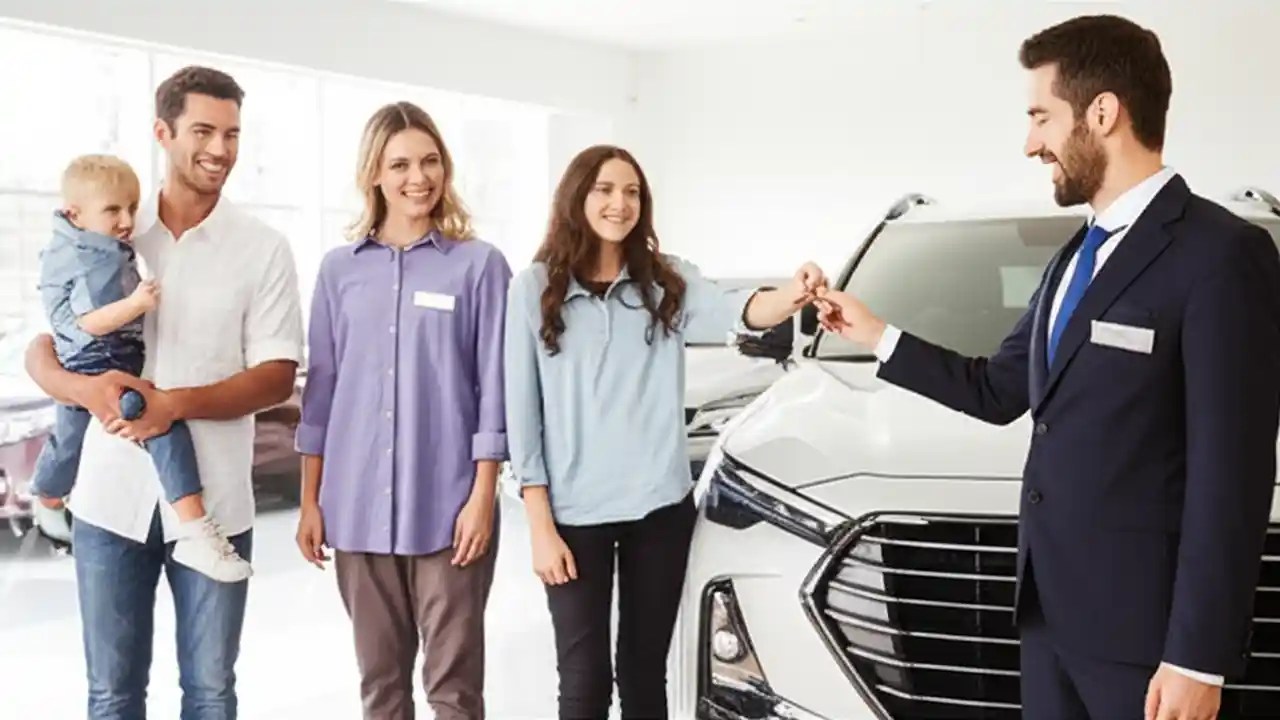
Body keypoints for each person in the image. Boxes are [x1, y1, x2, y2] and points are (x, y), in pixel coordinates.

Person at [813, 14, 1280, 720]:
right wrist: (877, 334)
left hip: (1148, 645)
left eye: (1040, 117)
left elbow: (1233, 474)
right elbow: (999, 390)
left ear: (1102, 113)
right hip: (1048, 623)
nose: (1030, 143)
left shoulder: (1222, 255)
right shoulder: (1075, 258)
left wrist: (1197, 657)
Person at [504, 144, 826, 719]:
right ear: (577, 197)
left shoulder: (664, 283)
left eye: (631, 192)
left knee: (644, 676)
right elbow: (521, 412)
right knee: (582, 682)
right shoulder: (532, 289)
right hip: (574, 518)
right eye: (604, 189)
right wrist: (539, 526)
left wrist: (794, 293)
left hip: (660, 511)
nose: (619, 203)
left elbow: (738, 308)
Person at [24, 65, 303, 719]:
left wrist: (174, 406)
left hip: (213, 506)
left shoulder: (262, 248)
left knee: (210, 692)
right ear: (163, 131)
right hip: (107, 501)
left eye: (232, 134)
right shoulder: (109, 227)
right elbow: (44, 346)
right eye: (203, 130)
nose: (220, 149)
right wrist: (83, 390)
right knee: (112, 694)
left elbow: (277, 376)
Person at [293, 101, 511, 719]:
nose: (419, 177)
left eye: (430, 161)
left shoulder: (479, 266)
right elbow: (322, 396)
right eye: (401, 164)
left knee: (455, 690)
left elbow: (495, 389)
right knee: (380, 689)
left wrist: (482, 499)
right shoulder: (339, 272)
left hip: (449, 512)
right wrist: (311, 501)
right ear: (375, 175)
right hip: (355, 509)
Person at [30, 153, 251, 583]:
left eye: (131, 208)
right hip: (100, 360)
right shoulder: (86, 258)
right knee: (159, 422)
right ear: (75, 213)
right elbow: (83, 323)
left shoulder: (88, 244)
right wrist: (136, 304)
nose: (126, 220)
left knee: (70, 437)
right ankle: (195, 527)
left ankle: (48, 493)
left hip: (99, 359)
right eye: (113, 210)